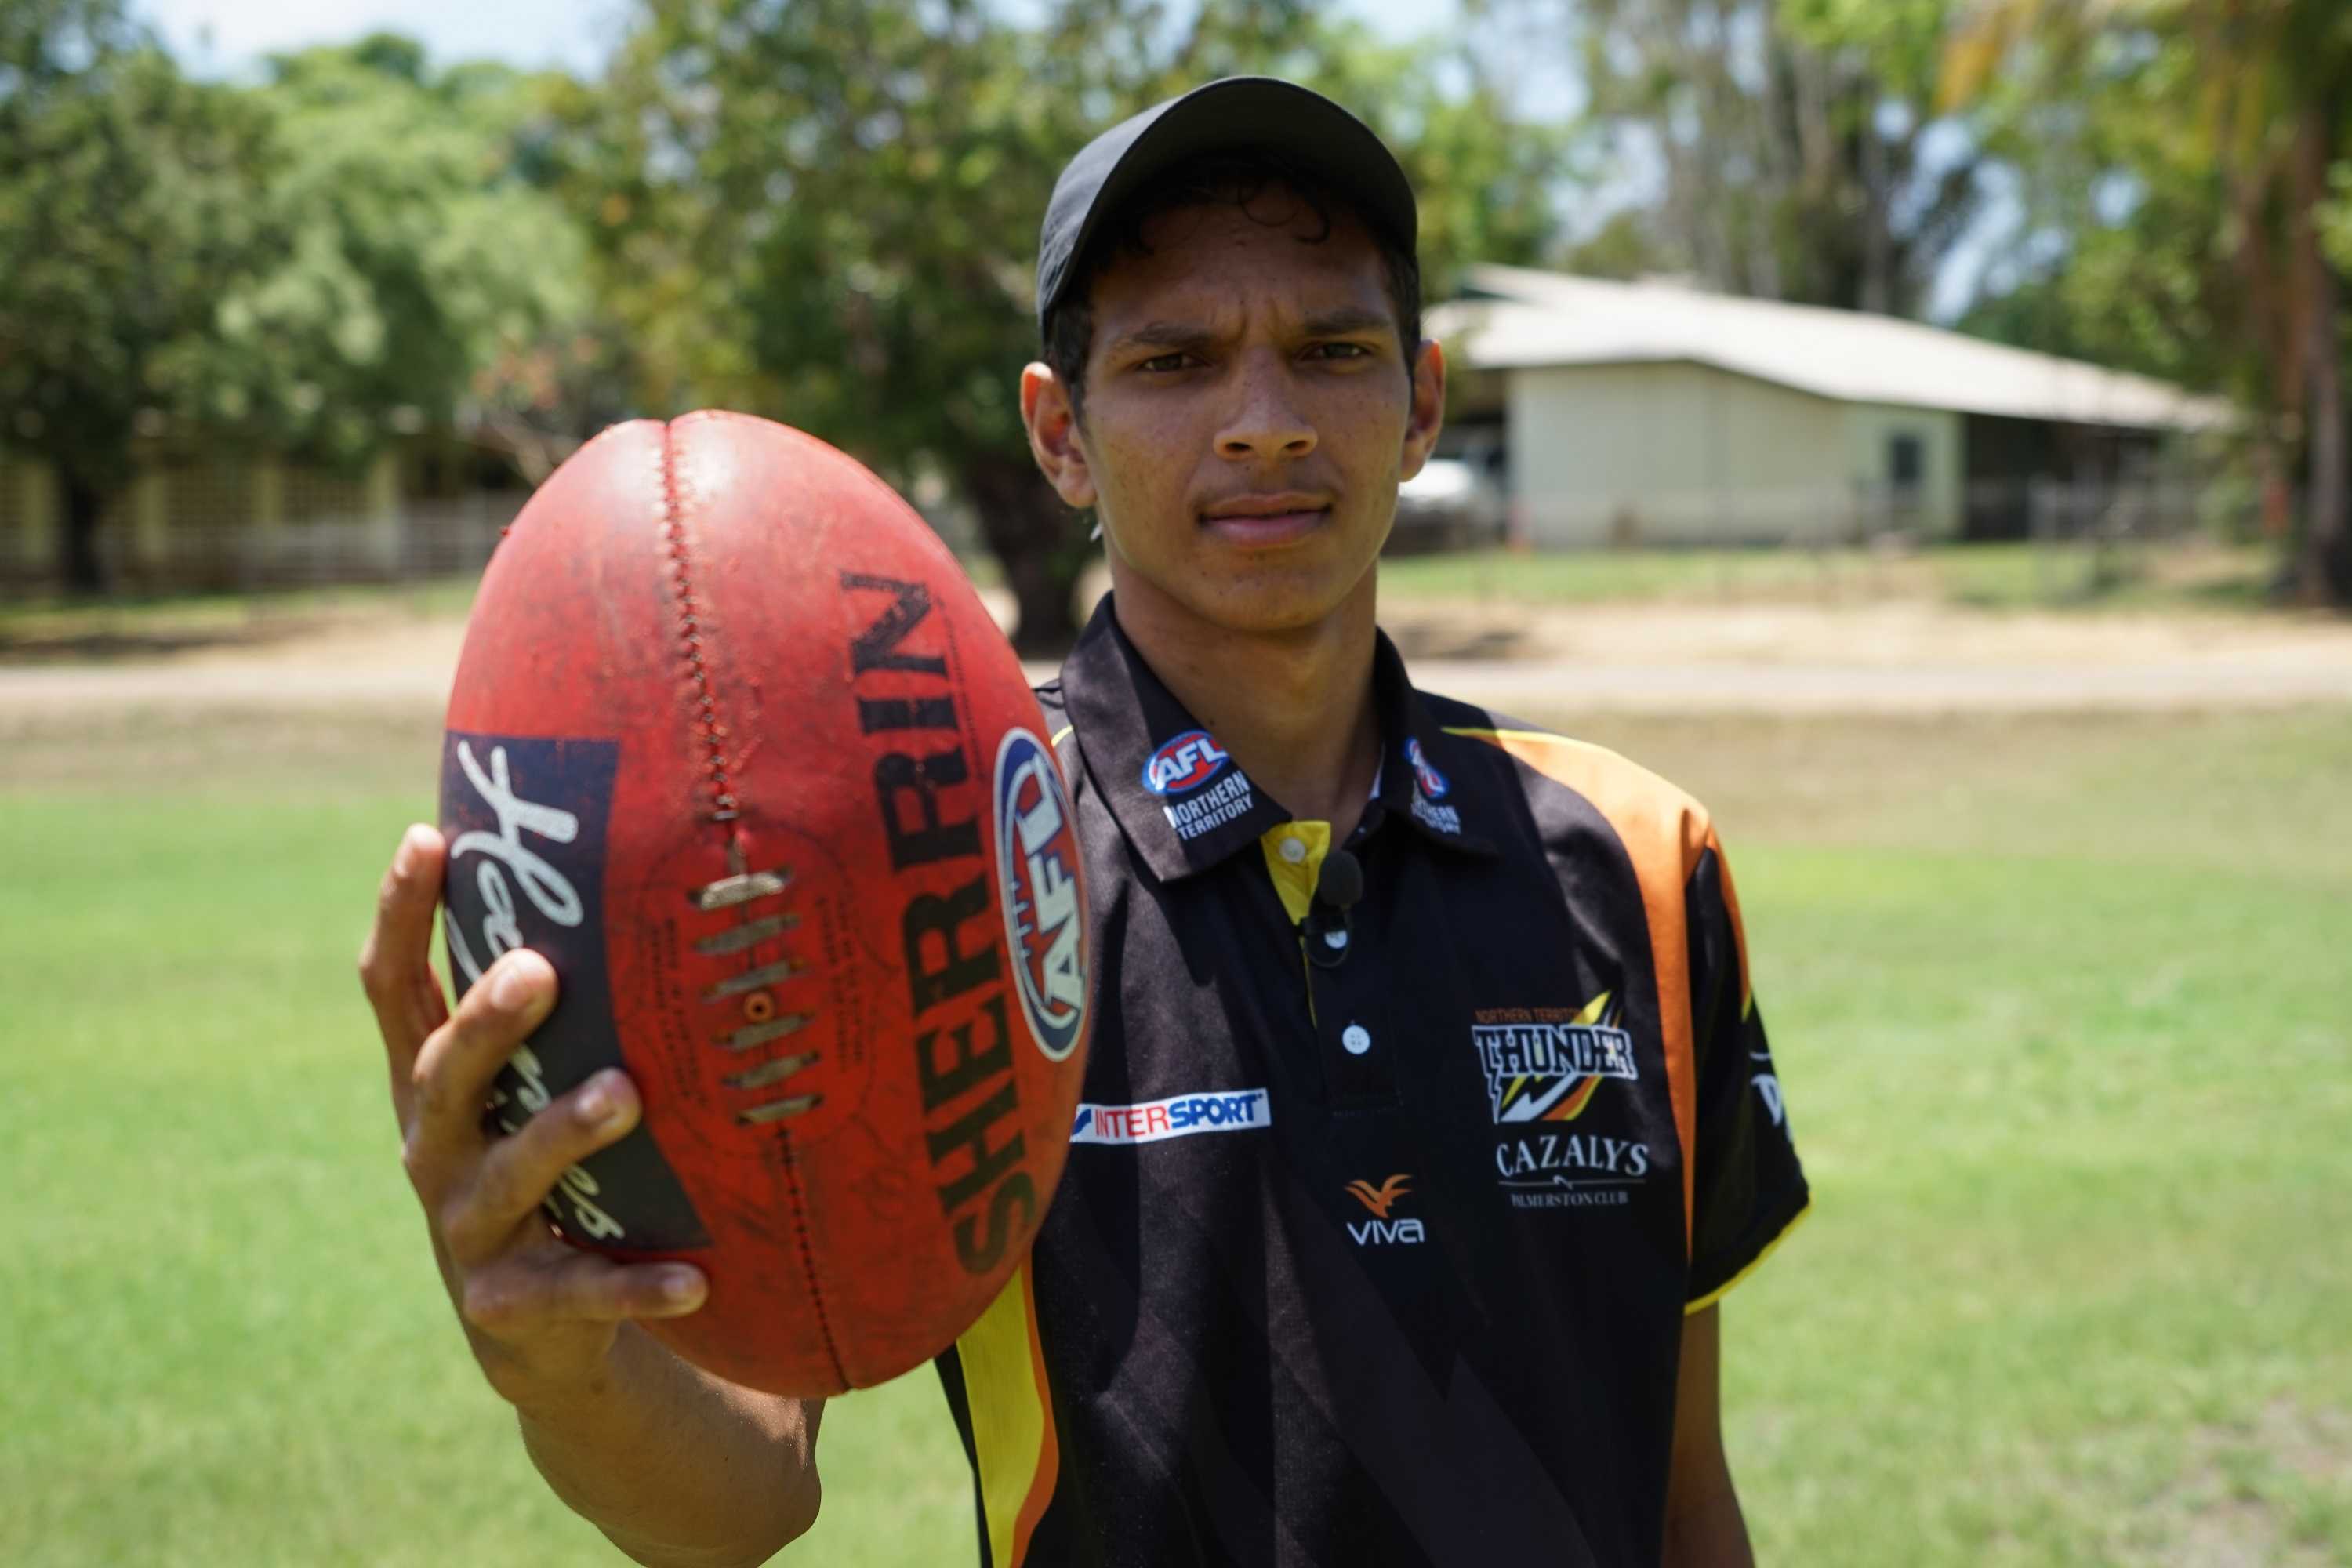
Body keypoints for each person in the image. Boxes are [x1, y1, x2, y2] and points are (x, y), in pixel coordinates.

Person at [358, 76, 1809, 1568]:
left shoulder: (1633, 861)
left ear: (1421, 402)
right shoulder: (931, 863)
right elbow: (745, 1498)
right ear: (1061, 435)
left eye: (1332, 350)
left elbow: (1683, 1493)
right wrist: (560, 1366)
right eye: (1177, 360)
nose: (1263, 423)